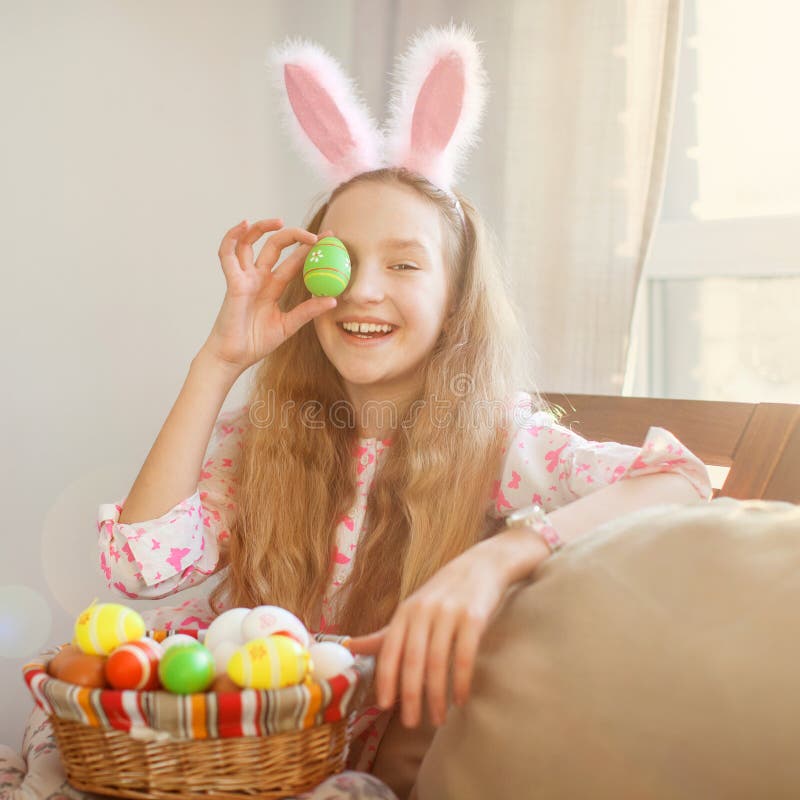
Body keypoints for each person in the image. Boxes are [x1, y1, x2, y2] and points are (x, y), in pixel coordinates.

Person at [9, 22, 712, 800]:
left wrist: (502, 555)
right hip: (232, 758)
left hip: (342, 772)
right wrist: (219, 360)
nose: (362, 289)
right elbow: (138, 567)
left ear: (454, 305)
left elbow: (680, 478)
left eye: (404, 264)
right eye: (337, 260)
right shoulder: (270, 440)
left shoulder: (498, 442)